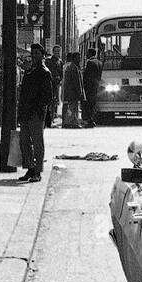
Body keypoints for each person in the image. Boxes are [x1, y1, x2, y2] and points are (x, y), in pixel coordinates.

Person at [17, 43, 54, 183]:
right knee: (24, 141)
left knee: (37, 142)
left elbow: (48, 96)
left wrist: (39, 108)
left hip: (36, 112)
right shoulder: (29, 71)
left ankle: (37, 171)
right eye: (33, 54)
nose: (34, 56)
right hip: (26, 111)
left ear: (42, 55)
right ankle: (30, 168)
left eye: (37, 54)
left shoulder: (44, 72)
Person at [60, 51, 85, 128]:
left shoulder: (70, 66)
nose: (80, 59)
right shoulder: (74, 68)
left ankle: (72, 122)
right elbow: (76, 82)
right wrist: (80, 92)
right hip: (73, 92)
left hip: (70, 91)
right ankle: (71, 123)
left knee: (72, 107)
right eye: (78, 57)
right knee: (73, 107)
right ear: (74, 58)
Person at [82, 46, 103, 127]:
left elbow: (87, 76)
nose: (86, 55)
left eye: (87, 53)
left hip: (89, 87)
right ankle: (92, 120)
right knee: (93, 104)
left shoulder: (89, 62)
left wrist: (84, 86)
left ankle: (89, 121)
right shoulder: (99, 62)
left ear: (89, 54)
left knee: (88, 104)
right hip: (96, 86)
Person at [45, 44, 64, 128]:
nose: (57, 53)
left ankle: (52, 118)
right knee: (49, 101)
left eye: (58, 51)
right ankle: (48, 120)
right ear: (53, 52)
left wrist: (59, 79)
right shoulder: (48, 61)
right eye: (56, 51)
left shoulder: (60, 62)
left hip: (56, 84)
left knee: (55, 101)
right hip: (49, 84)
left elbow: (61, 73)